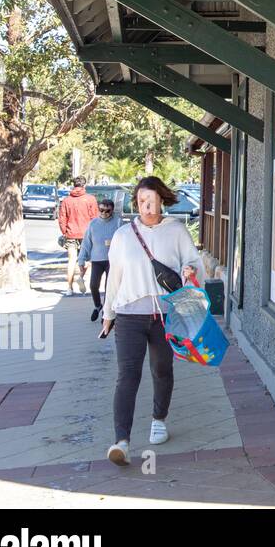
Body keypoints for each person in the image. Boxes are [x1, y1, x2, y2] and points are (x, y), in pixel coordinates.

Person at [100, 177, 202, 466]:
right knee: (127, 375)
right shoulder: (123, 235)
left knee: (161, 368)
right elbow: (114, 278)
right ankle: (121, 441)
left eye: (152, 200)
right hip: (129, 315)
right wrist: (108, 314)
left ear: (162, 200)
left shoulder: (176, 231)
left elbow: (193, 263)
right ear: (136, 202)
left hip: (165, 315)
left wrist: (189, 270)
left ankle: (159, 419)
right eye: (142, 200)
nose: (147, 206)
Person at [78, 197, 121, 323]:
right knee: (93, 286)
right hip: (96, 260)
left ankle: (106, 313)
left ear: (112, 211)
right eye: (101, 210)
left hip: (112, 260)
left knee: (109, 288)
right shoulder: (93, 224)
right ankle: (97, 306)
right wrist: (81, 259)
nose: (104, 213)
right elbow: (86, 243)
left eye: (107, 211)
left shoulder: (118, 223)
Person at [57, 176, 98, 296]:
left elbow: (62, 219)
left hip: (71, 234)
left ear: (73, 185)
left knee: (71, 260)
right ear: (84, 185)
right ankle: (81, 276)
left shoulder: (66, 200)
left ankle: (69, 288)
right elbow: (94, 218)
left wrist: (64, 232)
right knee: (88, 259)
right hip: (86, 234)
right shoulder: (90, 199)